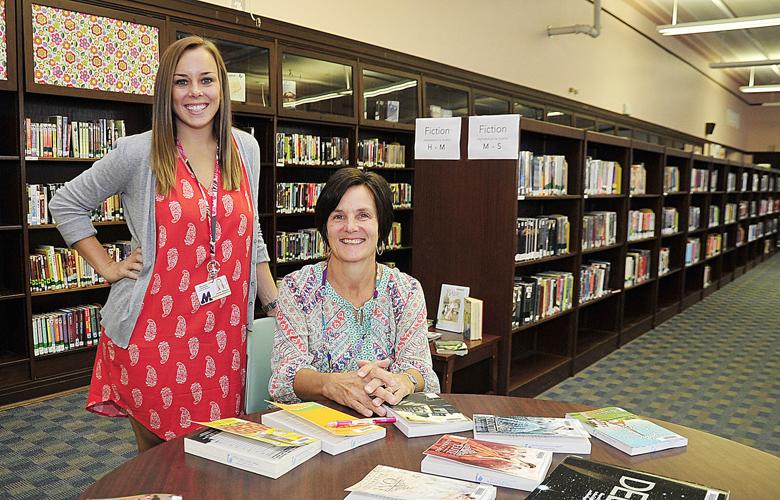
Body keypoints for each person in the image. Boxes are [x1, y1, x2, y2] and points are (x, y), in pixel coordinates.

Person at [49, 36, 278, 453]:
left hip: (224, 336)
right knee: (160, 461)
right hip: (154, 335)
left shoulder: (246, 149)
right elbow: (66, 203)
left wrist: (277, 307)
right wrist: (107, 266)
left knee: (221, 453)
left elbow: (252, 235)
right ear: (165, 91)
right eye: (181, 82)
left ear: (222, 88)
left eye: (206, 80)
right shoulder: (138, 152)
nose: (195, 93)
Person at [269, 168, 440, 417]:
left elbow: (420, 369)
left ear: (381, 225)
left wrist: (402, 382)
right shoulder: (296, 288)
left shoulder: (407, 290)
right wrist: (332, 384)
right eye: (338, 216)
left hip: (388, 425)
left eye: (363, 216)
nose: (350, 227)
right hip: (318, 431)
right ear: (325, 227)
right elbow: (285, 377)